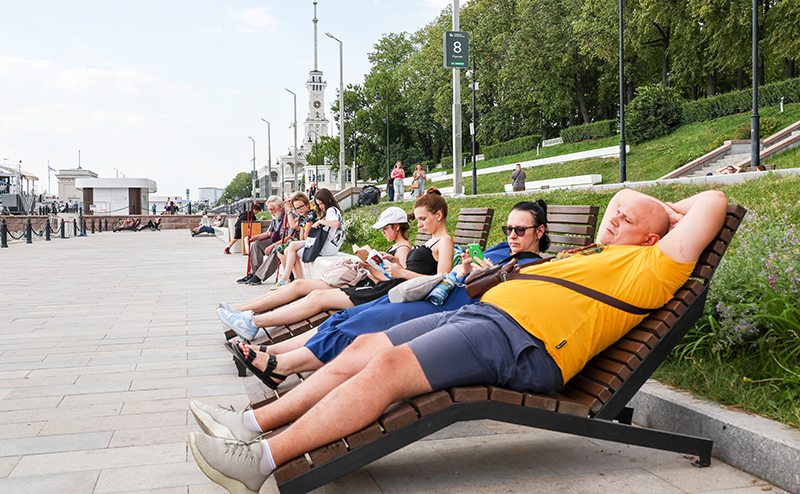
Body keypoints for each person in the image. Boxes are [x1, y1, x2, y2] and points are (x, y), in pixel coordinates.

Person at [188, 188, 729, 493]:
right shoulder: (605, 253)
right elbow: (628, 201)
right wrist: (641, 213)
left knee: (388, 369)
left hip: (523, 344)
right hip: (488, 316)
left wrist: (670, 213)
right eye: (610, 216)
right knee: (363, 350)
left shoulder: (653, 265)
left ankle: (259, 464)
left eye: (626, 219)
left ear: (657, 236)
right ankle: (252, 424)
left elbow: (715, 200)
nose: (611, 222)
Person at [230, 200, 550, 389]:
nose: (511, 236)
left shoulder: (536, 265)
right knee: (347, 317)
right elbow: (451, 271)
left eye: (520, 231)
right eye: (508, 229)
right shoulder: (501, 249)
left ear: (540, 232)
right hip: (434, 294)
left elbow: (514, 301)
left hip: (449, 310)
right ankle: (276, 357)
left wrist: (482, 275)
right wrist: (467, 268)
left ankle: (281, 367)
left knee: (360, 326)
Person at [216, 188, 454, 342]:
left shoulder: (444, 241)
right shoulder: (429, 241)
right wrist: (384, 263)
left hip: (391, 292)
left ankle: (251, 321)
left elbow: (442, 279)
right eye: (418, 219)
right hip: (388, 288)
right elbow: (410, 271)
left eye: (423, 219)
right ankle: (246, 315)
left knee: (316, 297)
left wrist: (399, 270)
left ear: (439, 215)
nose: (420, 224)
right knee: (311, 294)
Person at [273, 189, 344, 287]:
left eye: (321, 203)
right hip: (327, 245)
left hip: (326, 246)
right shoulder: (333, 211)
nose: (320, 207)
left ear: (329, 200)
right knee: (291, 249)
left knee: (291, 250)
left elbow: (336, 224)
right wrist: (289, 210)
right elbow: (293, 225)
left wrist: (320, 222)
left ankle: (292, 280)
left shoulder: (331, 210)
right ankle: (293, 280)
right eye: (318, 204)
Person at [237, 197, 283, 284]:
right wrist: (255, 237)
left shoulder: (287, 217)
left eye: (272, 209)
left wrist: (272, 245)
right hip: (275, 239)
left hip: (285, 242)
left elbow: (288, 237)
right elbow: (269, 233)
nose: (271, 212)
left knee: (276, 249)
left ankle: (259, 276)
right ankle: (252, 273)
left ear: (280, 207)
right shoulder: (275, 217)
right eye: (269, 210)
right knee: (256, 244)